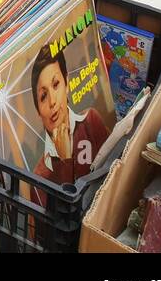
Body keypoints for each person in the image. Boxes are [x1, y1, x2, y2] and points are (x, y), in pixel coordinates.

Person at [28, 45, 110, 207]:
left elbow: (111, 174)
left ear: (67, 84)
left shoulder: (91, 120)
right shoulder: (39, 177)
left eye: (56, 84)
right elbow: (63, 227)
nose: (52, 101)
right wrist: (65, 161)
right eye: (43, 96)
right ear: (38, 110)